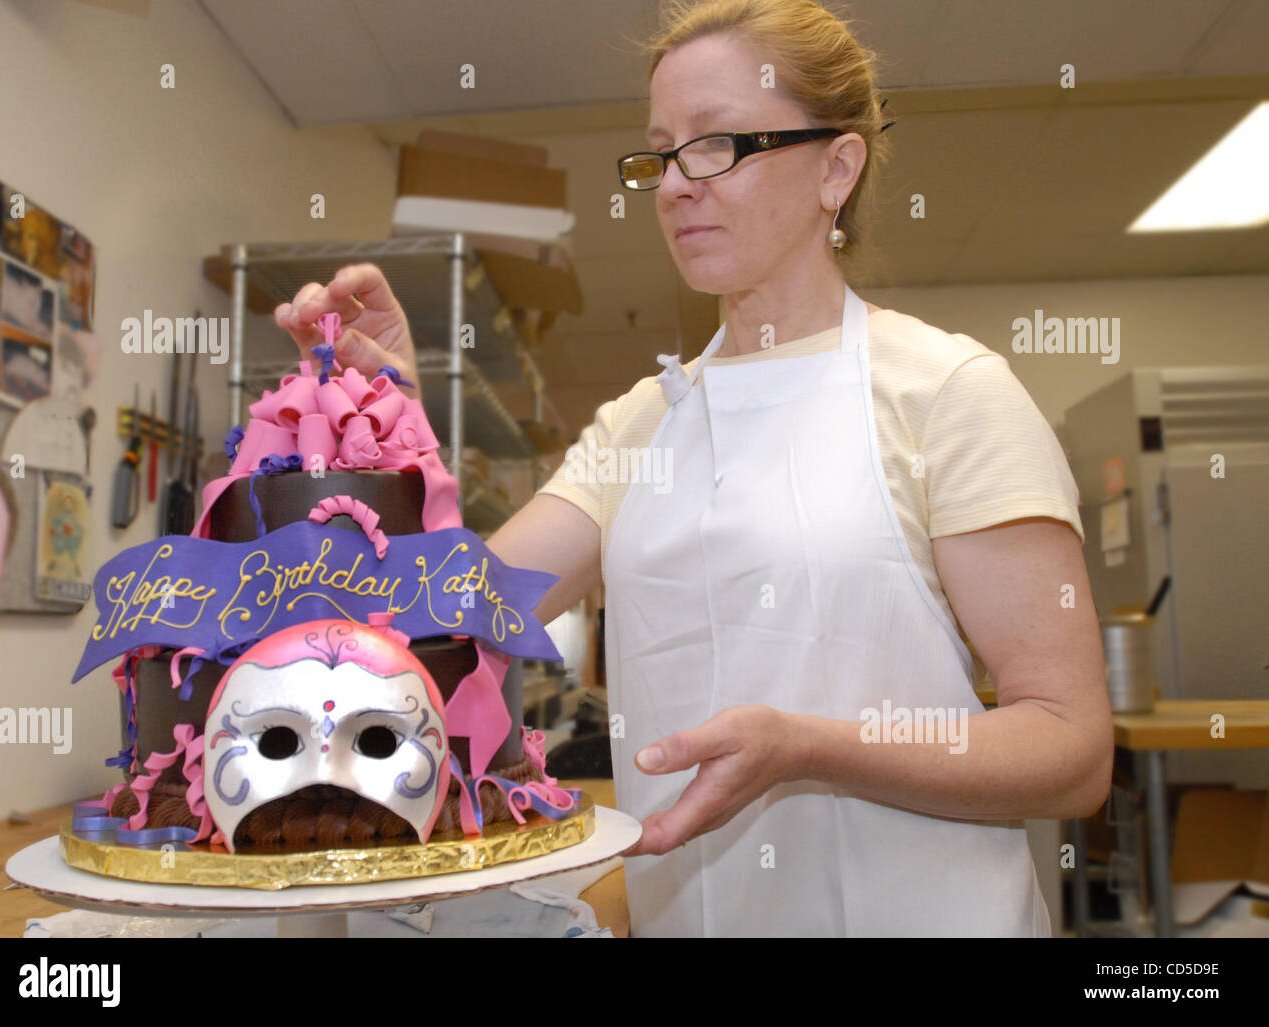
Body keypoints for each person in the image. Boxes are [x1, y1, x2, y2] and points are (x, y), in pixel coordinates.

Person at [275, 0, 1113, 937]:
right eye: (661, 153)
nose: (675, 184)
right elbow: (451, 617)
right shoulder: (643, 422)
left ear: (836, 168)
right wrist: (392, 423)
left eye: (716, 145)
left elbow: (1070, 749)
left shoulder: (947, 394)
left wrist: (807, 748)